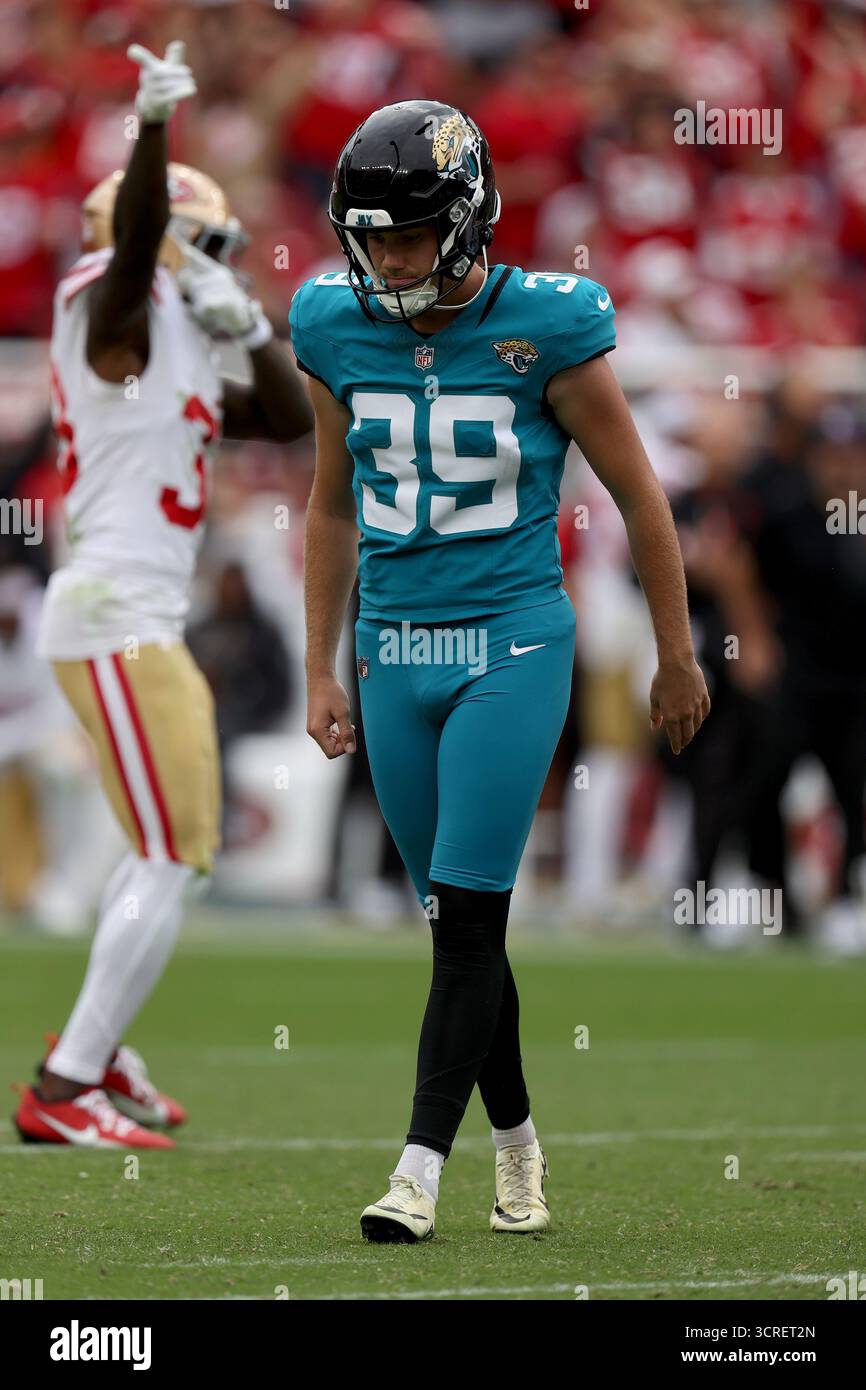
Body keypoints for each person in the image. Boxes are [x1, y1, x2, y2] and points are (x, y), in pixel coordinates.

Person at [294, 100, 709, 1241]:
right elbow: (328, 505)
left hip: (510, 643)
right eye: (373, 239)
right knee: (456, 926)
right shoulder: (330, 325)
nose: (390, 260)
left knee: (471, 918)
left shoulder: (548, 324)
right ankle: (518, 1144)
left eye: (410, 236)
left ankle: (416, 1171)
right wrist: (320, 666)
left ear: (469, 220)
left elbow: (640, 497)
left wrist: (675, 652)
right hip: (392, 650)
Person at [14, 41, 311, 1150]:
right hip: (115, 618)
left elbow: (288, 419)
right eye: (202, 243)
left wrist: (252, 326)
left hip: (135, 621)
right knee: (175, 849)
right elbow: (137, 248)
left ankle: (96, 1048)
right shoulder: (108, 310)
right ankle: (67, 1082)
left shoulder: (178, 337)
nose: (214, 261)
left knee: (166, 844)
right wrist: (150, 130)